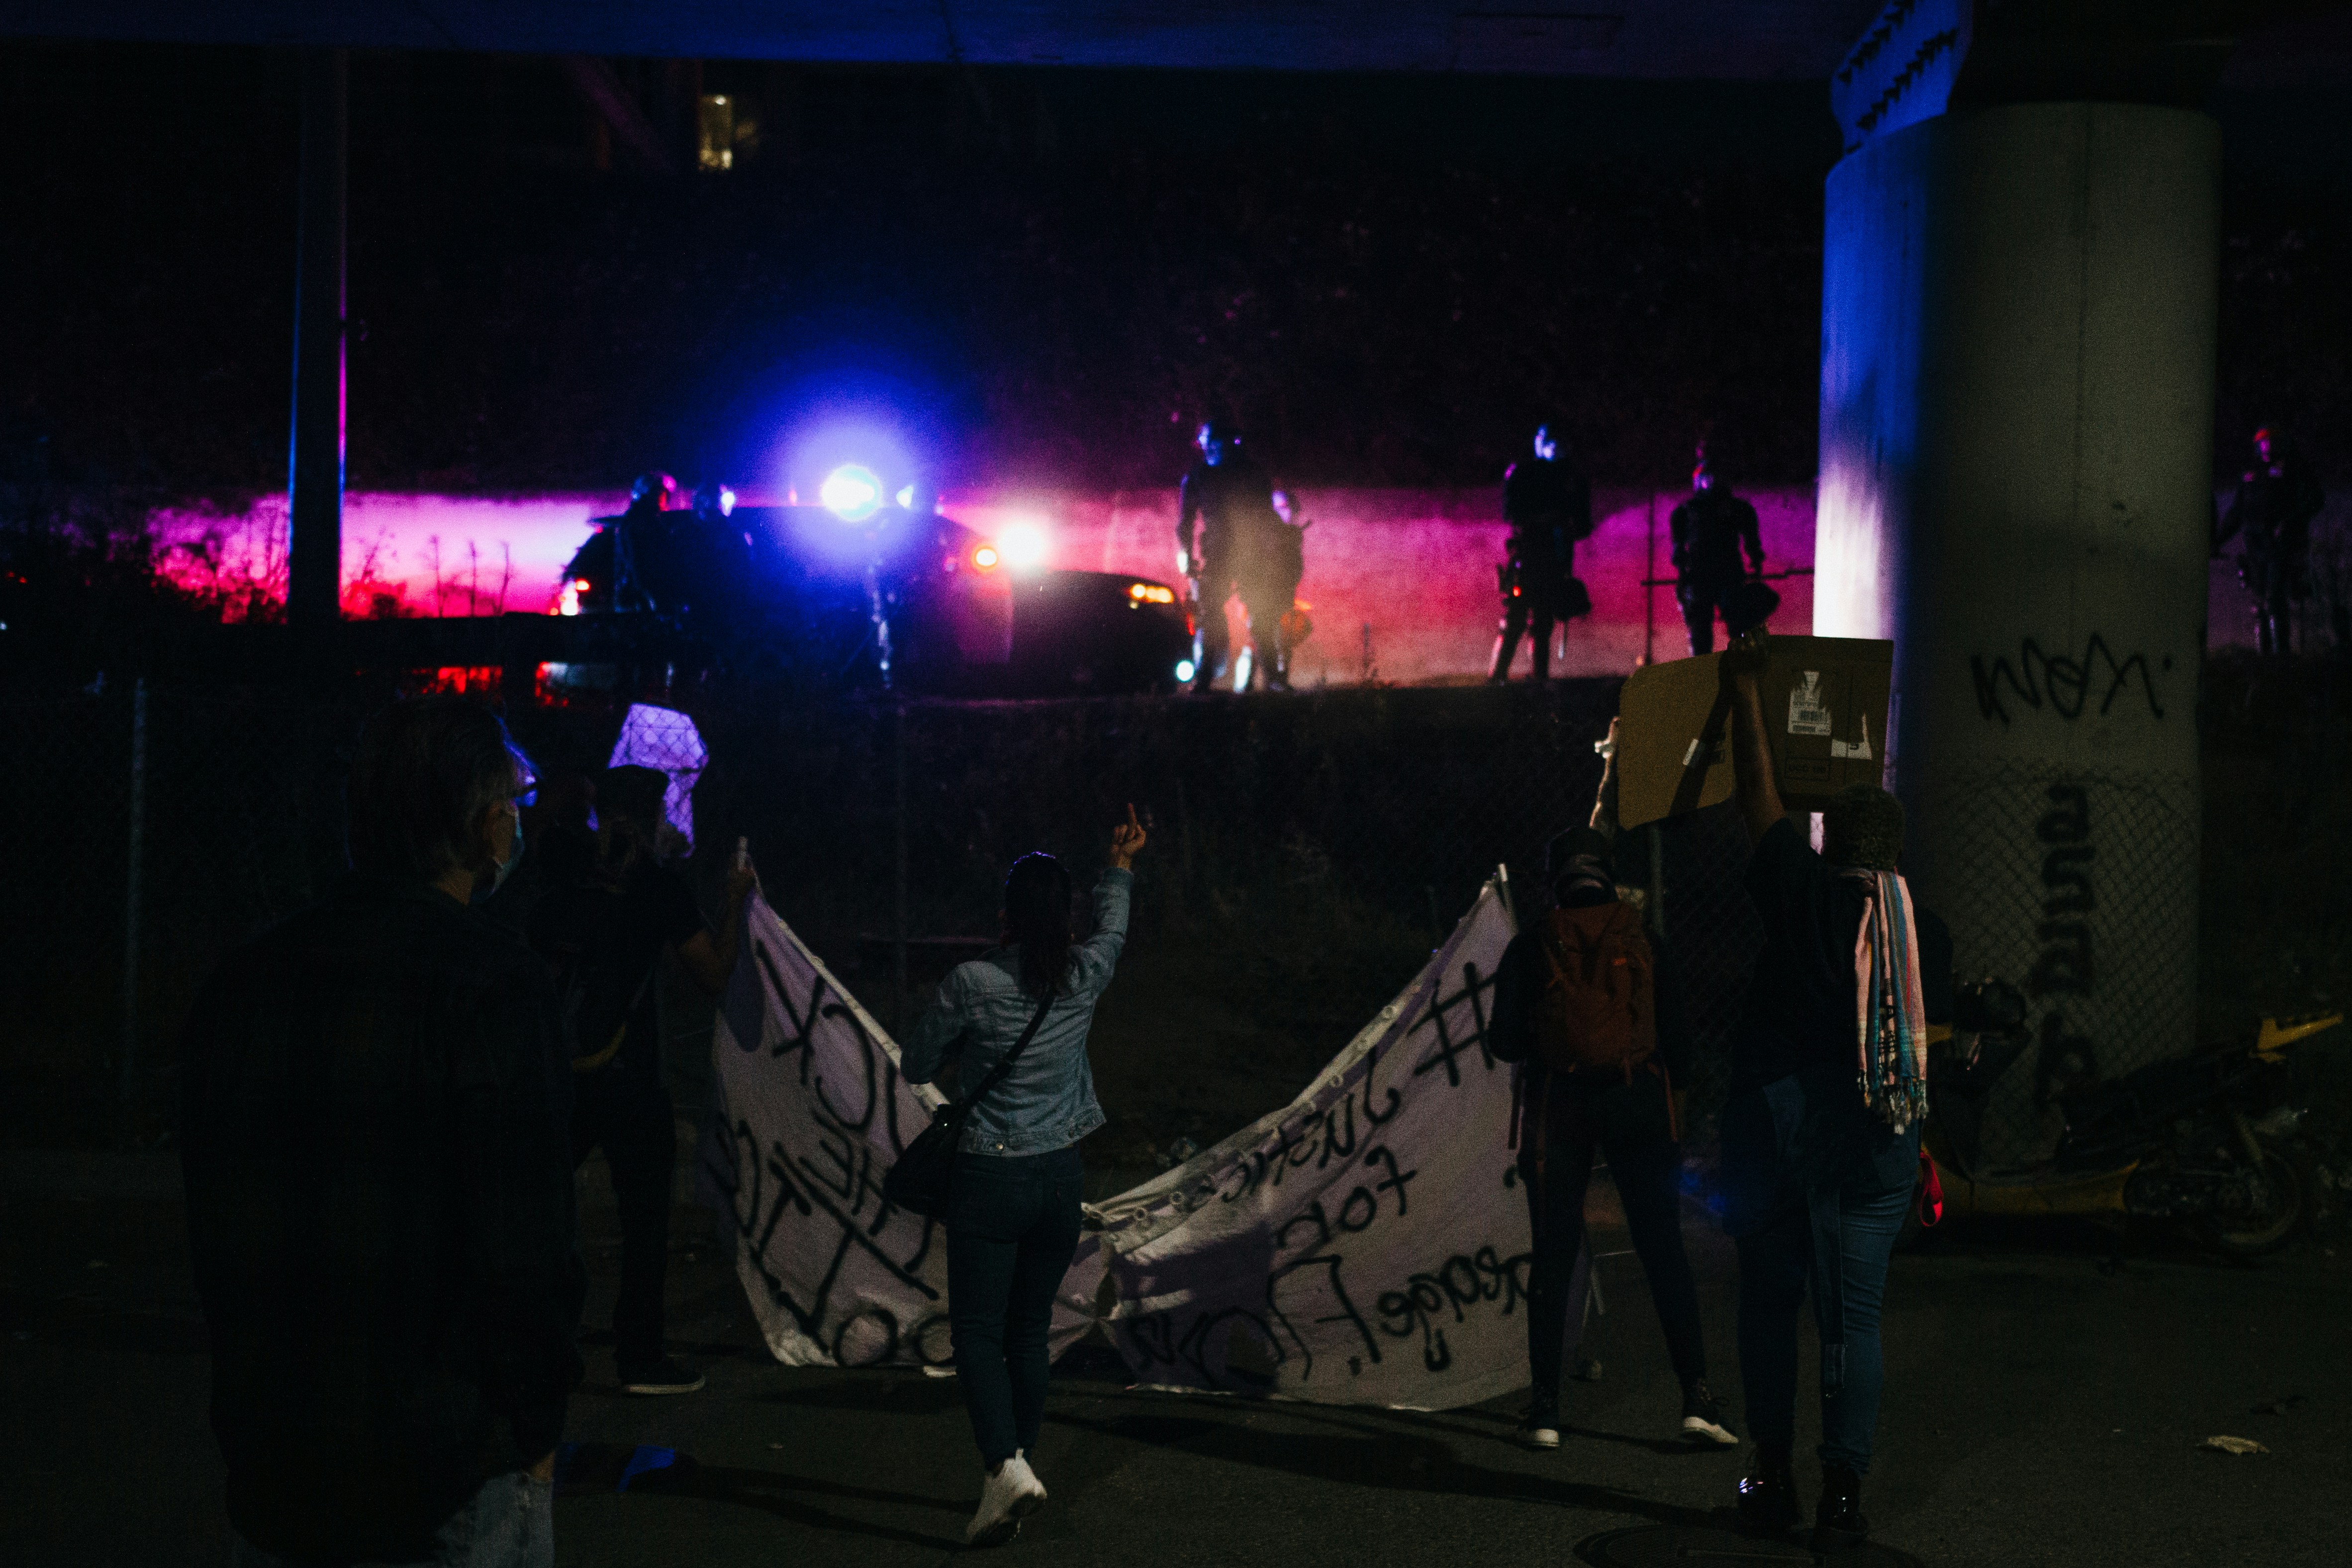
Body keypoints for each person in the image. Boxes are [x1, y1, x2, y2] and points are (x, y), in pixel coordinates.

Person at [179, 697, 584, 1568]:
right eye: (513, 799)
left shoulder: (249, 975)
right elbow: (527, 1240)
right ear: (486, 827)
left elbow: (217, 1218)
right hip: (446, 1452)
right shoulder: (493, 983)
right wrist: (535, 1424)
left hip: (281, 1446)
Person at [1714, 631, 1953, 1551]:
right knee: (1853, 1319)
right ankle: (1841, 1494)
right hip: (1875, 1136)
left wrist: (1743, 691)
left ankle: (1769, 1476)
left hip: (1777, 1124)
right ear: (1893, 855)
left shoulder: (1798, 891)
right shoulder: (1920, 931)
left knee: (1769, 1302)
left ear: (1826, 842)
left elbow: (1753, 795)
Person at [903, 807, 1149, 1547]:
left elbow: (916, 1065)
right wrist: (1122, 864)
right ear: (1065, 916)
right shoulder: (1084, 973)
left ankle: (1003, 1466)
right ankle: (1013, 1474)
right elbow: (1115, 932)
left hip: (989, 1177)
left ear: (1006, 913)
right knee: (1029, 1330)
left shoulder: (972, 982)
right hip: (1058, 1180)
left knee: (977, 1329)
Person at [1488, 724, 1733, 1453]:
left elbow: (1502, 1042)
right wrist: (1675, 1107)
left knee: (1555, 1255)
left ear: (1553, 879)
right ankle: (1695, 1397)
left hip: (1559, 1108)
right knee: (1662, 1249)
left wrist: (1547, 1038)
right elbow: (1683, 1043)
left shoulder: (1531, 942)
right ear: (1607, 870)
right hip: (1638, 1103)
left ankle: (1544, 1410)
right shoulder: (1644, 935)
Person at [529, 764, 755, 1396]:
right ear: (649, 814)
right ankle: (640, 1356)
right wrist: (734, 903)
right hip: (629, 1077)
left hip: (557, 1073)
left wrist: (569, 804)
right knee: (644, 1221)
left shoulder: (562, 866)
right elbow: (711, 974)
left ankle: (528, 1338)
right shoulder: (657, 888)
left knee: (537, 1206)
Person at [1489, 422, 1594, 682]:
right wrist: (1546, 520)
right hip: (1527, 552)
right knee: (1515, 617)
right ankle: (1498, 677)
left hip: (1554, 557)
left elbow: (1582, 521)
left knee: (1544, 619)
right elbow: (1512, 513)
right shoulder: (1524, 474)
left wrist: (1569, 526)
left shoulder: (1569, 477)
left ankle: (1539, 678)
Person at [1177, 420, 1277, 691]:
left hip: (1249, 552)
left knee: (1260, 612)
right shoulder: (1199, 477)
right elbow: (1185, 521)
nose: (1212, 449)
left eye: (1216, 443)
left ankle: (1272, 676)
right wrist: (1186, 552)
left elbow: (1267, 516)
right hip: (1220, 553)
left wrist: (1270, 552)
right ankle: (1208, 675)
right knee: (1212, 615)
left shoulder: (1251, 474)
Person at [2217, 426, 2325, 656]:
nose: (2266, 446)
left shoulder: (2293, 468)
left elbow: (2315, 500)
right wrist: (2217, 540)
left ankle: (2281, 657)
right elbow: (2238, 511)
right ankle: (2263, 656)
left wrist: (2290, 524)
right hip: (2255, 543)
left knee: (2275, 596)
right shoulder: (2250, 472)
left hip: (2281, 543)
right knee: (2259, 598)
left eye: (2271, 441)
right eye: (2262, 442)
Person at [1669, 444, 1768, 655]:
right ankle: (1702, 674)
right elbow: (1678, 544)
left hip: (1725, 572)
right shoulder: (1688, 511)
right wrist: (1680, 564)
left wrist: (1756, 558)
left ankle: (1742, 667)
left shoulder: (1735, 508)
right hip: (1702, 574)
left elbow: (1751, 536)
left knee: (1737, 626)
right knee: (1701, 632)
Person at [1234, 488, 1310, 692]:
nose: (1280, 513)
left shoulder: (1292, 536)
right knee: (1259, 637)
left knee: (1283, 638)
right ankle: (1247, 686)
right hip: (1257, 596)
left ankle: (1277, 683)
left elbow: (1295, 568)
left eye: (1284, 508)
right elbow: (1246, 565)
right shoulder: (1256, 535)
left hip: (1281, 596)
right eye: (1275, 508)